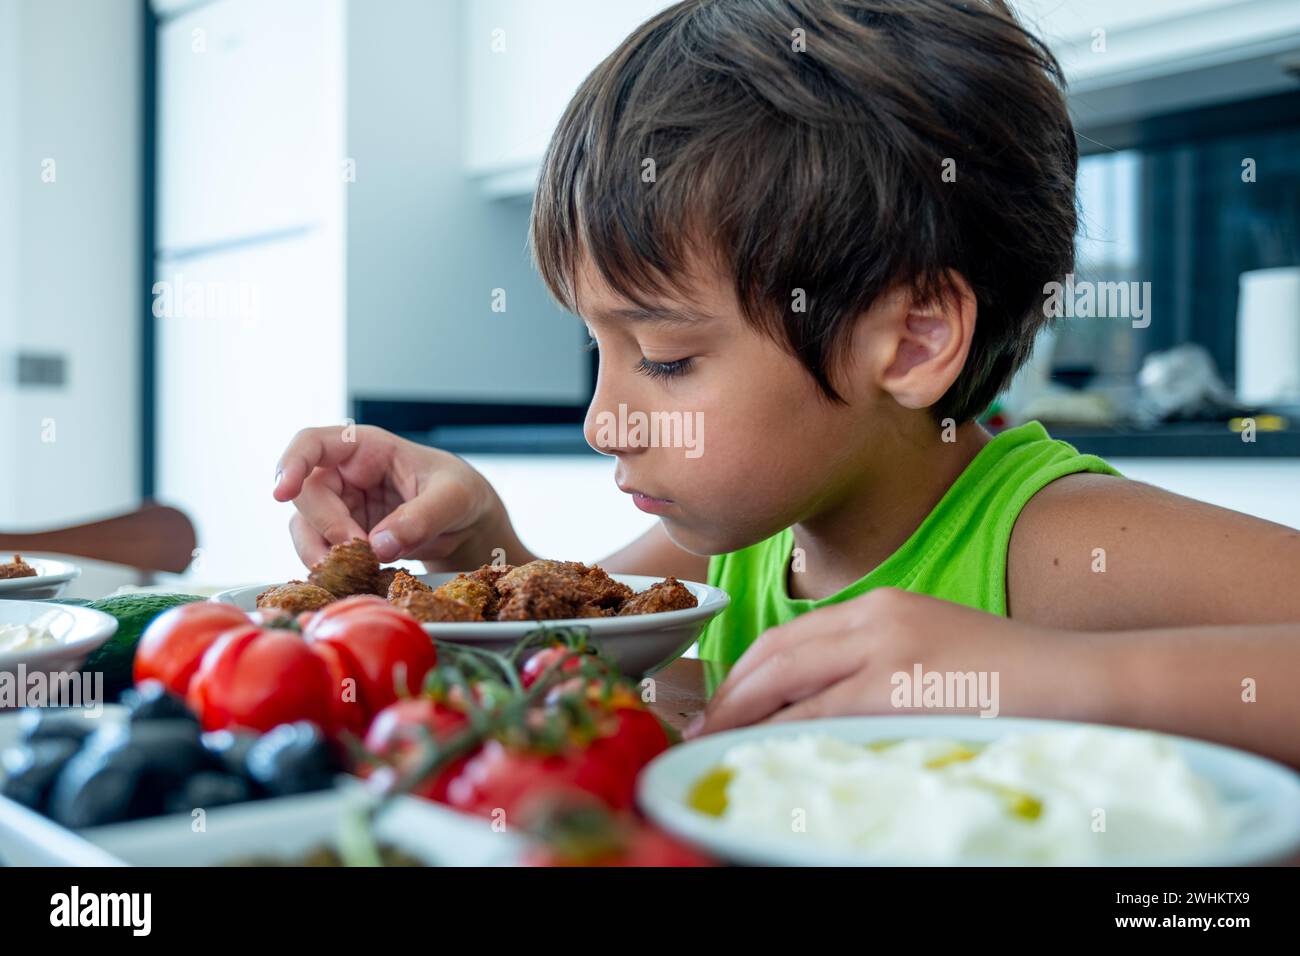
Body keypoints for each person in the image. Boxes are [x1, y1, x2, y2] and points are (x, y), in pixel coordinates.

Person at [273, 0, 1300, 766]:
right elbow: (587, 656)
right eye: (599, 348)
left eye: (666, 358)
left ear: (911, 342)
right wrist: (479, 547)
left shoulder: (1056, 543)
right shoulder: (733, 537)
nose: (602, 422)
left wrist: (1045, 677)